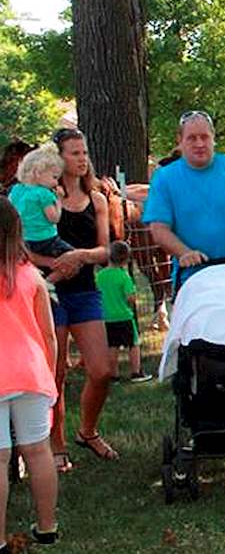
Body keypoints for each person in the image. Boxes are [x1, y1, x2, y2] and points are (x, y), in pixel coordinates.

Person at [28, 128, 116, 471]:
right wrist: (54, 264)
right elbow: (23, 248)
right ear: (57, 157)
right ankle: (56, 443)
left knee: (101, 370)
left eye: (84, 153)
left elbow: (105, 250)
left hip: (84, 290)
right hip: (50, 293)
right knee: (57, 371)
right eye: (74, 153)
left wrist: (78, 257)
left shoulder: (97, 200)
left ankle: (88, 431)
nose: (82, 159)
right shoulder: (40, 199)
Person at [143, 110, 225, 289]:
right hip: (192, 274)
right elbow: (158, 228)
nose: (199, 144)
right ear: (180, 140)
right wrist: (184, 253)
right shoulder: (164, 178)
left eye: (204, 137)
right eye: (192, 138)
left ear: (213, 138)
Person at [0, 197, 60, 553]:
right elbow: (49, 334)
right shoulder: (31, 276)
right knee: (39, 452)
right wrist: (50, 374)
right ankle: (47, 526)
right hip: (32, 372)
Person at [95, 241, 150, 383]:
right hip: (124, 316)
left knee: (112, 346)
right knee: (133, 344)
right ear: (126, 260)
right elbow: (130, 297)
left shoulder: (99, 276)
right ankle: (136, 372)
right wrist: (131, 300)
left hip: (107, 317)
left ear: (109, 256)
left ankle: (114, 375)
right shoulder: (124, 276)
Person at [9, 145, 74, 262]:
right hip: (45, 240)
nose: (56, 183)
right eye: (54, 177)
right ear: (38, 173)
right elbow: (54, 218)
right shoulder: (44, 193)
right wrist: (59, 201)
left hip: (22, 239)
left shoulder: (16, 189)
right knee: (75, 257)